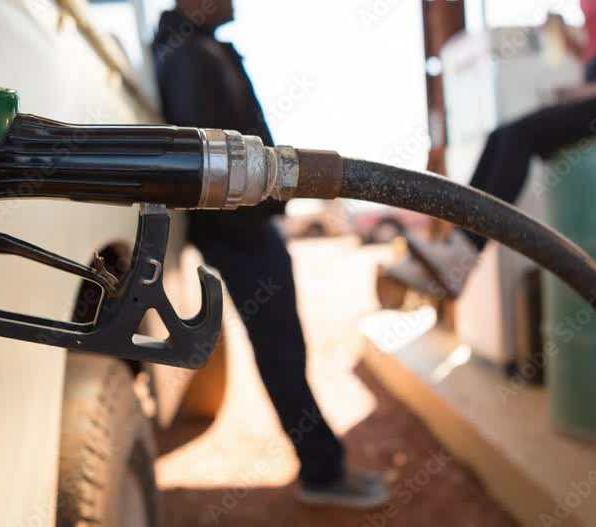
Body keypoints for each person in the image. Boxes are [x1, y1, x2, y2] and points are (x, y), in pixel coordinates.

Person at [151, 0, 389, 510]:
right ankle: (323, 474)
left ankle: (323, 466)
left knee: (285, 347)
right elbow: (209, 157)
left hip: (245, 225)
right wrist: (250, 218)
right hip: (237, 228)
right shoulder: (189, 55)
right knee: (281, 348)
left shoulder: (201, 50)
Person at [407, 0, 596, 296]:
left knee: (519, 136)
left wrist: (593, 91)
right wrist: (570, 43)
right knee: (501, 135)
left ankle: (460, 256)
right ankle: (456, 247)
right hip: (595, 96)